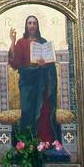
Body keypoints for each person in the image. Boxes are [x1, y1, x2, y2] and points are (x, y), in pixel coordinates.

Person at [7, 15, 61, 144]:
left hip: (42, 83)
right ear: (26, 26)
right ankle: (27, 143)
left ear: (37, 26)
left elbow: (50, 66)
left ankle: (44, 141)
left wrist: (45, 64)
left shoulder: (43, 42)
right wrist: (13, 41)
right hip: (27, 82)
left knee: (43, 111)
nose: (32, 25)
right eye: (29, 23)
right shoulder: (21, 42)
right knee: (27, 111)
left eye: (34, 23)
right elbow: (15, 63)